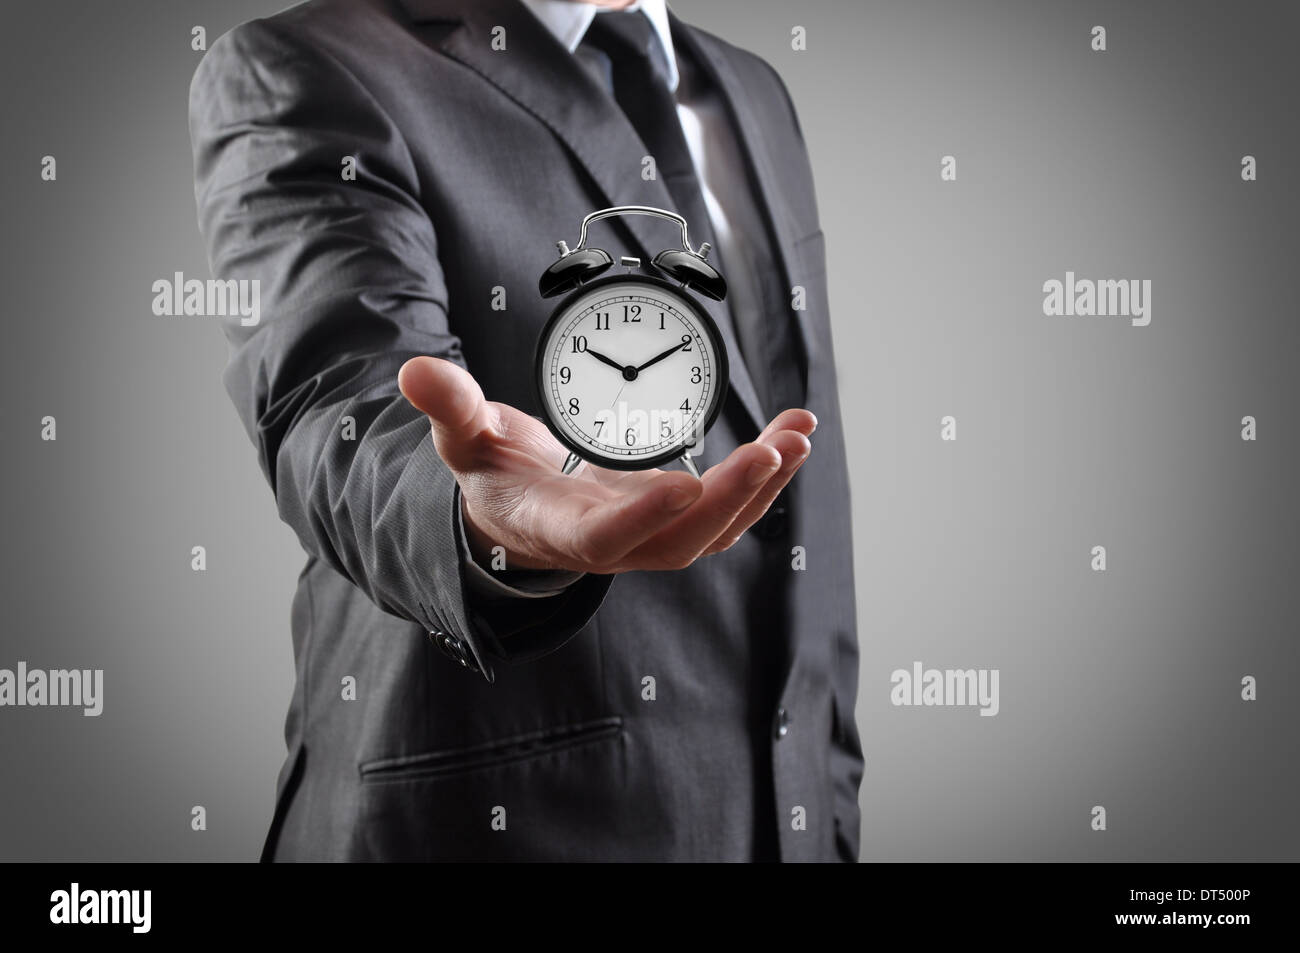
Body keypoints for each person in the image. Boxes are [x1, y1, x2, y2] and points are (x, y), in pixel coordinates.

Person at [189, 0, 862, 862]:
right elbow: (337, 406)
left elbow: (805, 490)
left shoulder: (750, 89)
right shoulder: (307, 62)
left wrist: (829, 808)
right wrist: (483, 519)